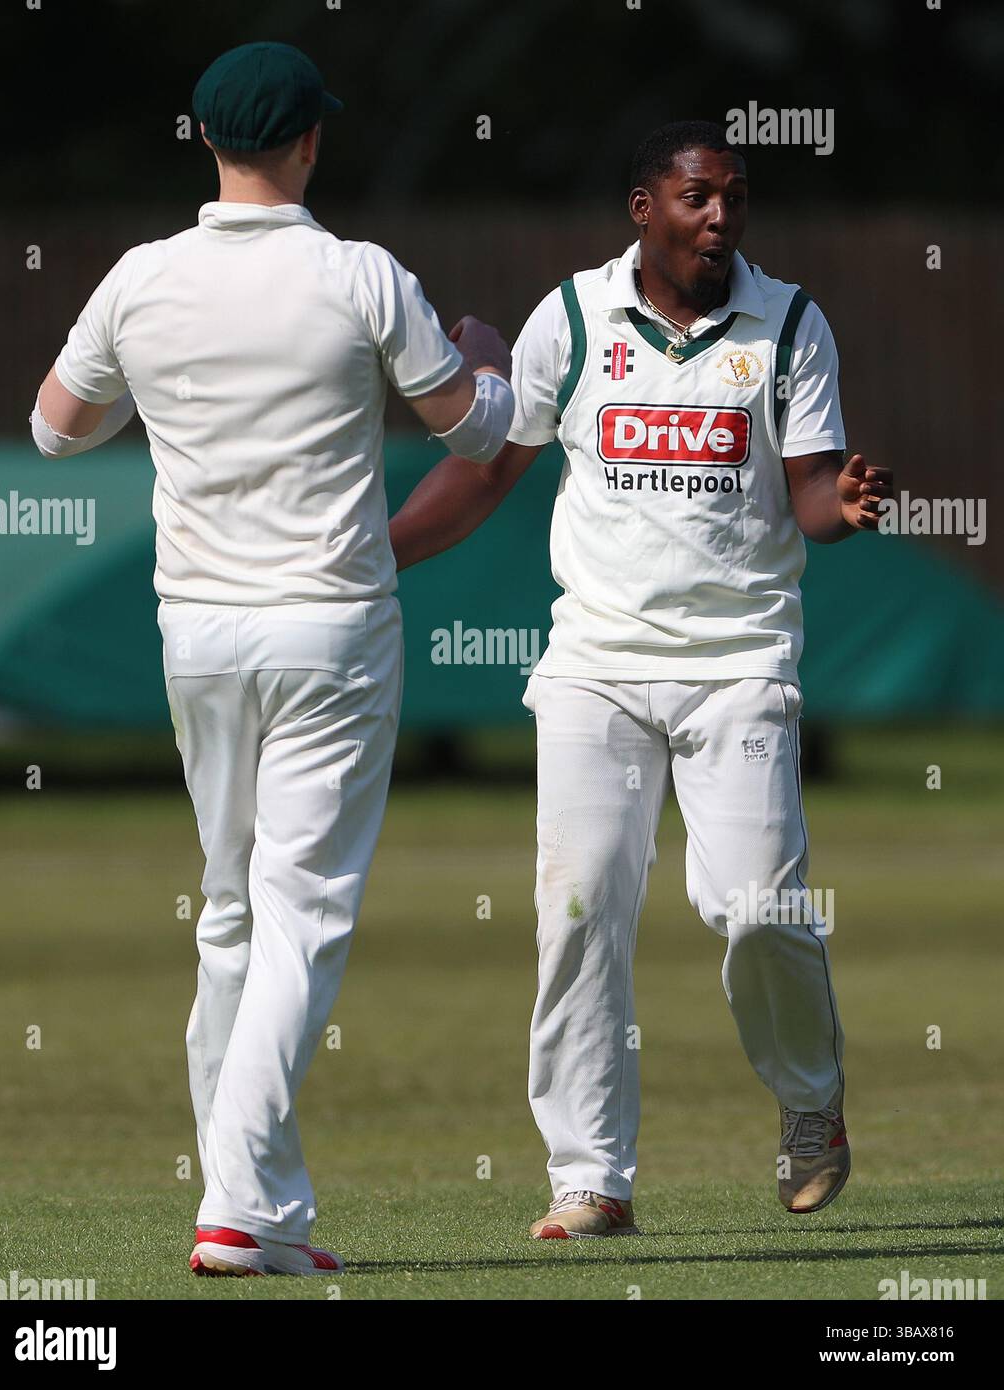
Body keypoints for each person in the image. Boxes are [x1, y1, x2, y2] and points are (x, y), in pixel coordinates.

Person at [30, 41, 513, 1275]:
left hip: (198, 632)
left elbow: (54, 432)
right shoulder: (359, 273)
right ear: (310, 142)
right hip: (331, 626)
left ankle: (263, 1212)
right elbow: (471, 424)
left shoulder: (141, 277)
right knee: (297, 915)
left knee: (234, 915)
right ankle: (237, 1207)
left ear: (206, 141)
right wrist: (490, 364)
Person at [390, 120, 893, 1238]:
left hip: (739, 668)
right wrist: (377, 552)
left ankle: (810, 1106)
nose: (720, 216)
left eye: (735, 197)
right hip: (596, 669)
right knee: (576, 911)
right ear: (642, 209)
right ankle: (590, 1175)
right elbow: (487, 473)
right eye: (697, 197)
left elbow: (811, 492)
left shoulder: (790, 322)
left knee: (757, 907)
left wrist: (844, 507)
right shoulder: (569, 317)